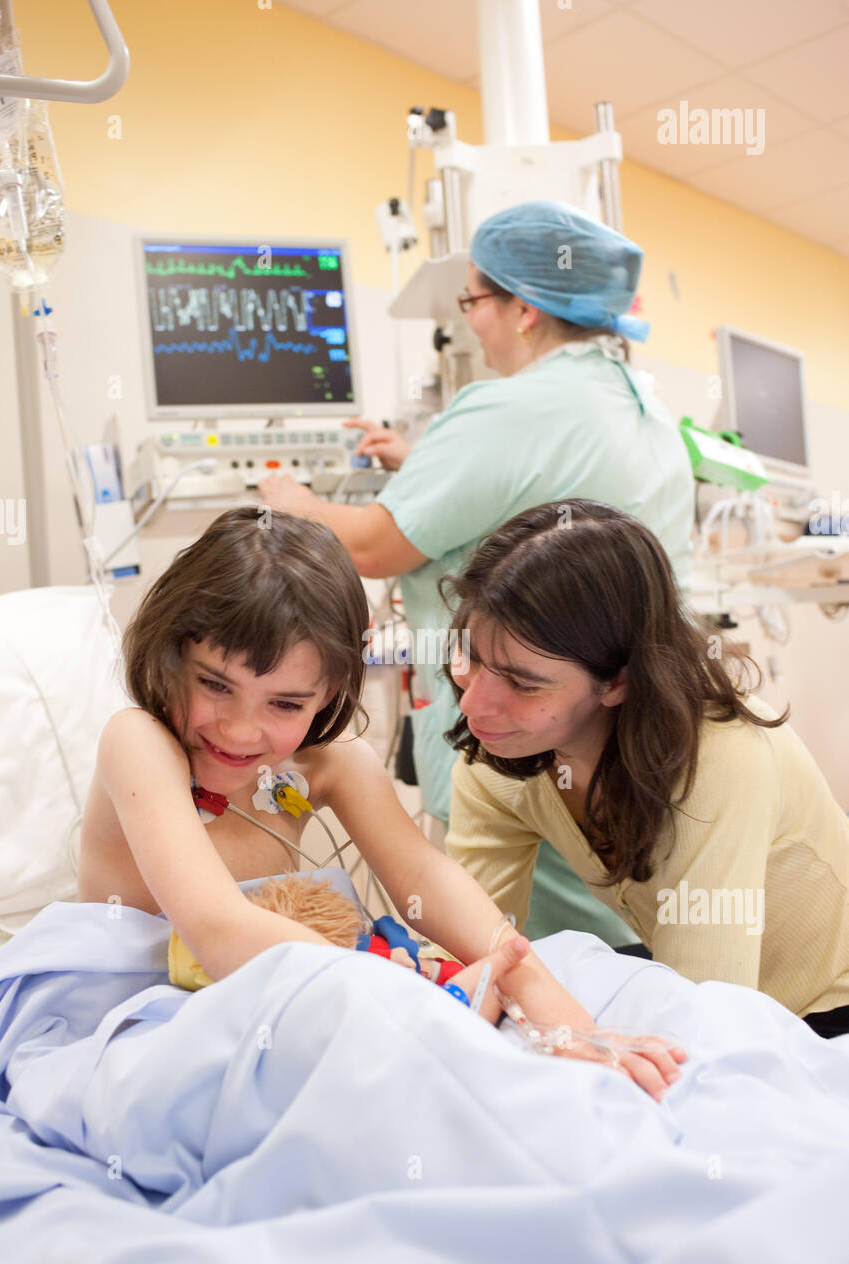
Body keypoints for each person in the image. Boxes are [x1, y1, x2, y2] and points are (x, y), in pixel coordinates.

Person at [76, 506, 686, 1099]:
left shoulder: (332, 764)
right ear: (171, 651)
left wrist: (556, 1011)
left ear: (329, 693)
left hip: (295, 1000)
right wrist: (405, 994)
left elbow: (426, 878)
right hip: (146, 1018)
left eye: (285, 704)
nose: (239, 730)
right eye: (215, 685)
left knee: (548, 1024)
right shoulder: (140, 743)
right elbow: (215, 926)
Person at [257, 200, 695, 947]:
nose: (472, 322)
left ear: (524, 310)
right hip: (623, 728)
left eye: (475, 301)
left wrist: (289, 498)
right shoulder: (643, 409)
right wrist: (419, 460)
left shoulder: (504, 408)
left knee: (527, 943)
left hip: (520, 734)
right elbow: (531, 487)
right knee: (613, 924)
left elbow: (371, 546)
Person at [444, 500, 849, 1034]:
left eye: (522, 683)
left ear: (618, 680)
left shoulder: (720, 759)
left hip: (818, 1011)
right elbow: (470, 947)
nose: (474, 705)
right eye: (471, 658)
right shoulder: (504, 747)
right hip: (696, 983)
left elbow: (704, 1022)